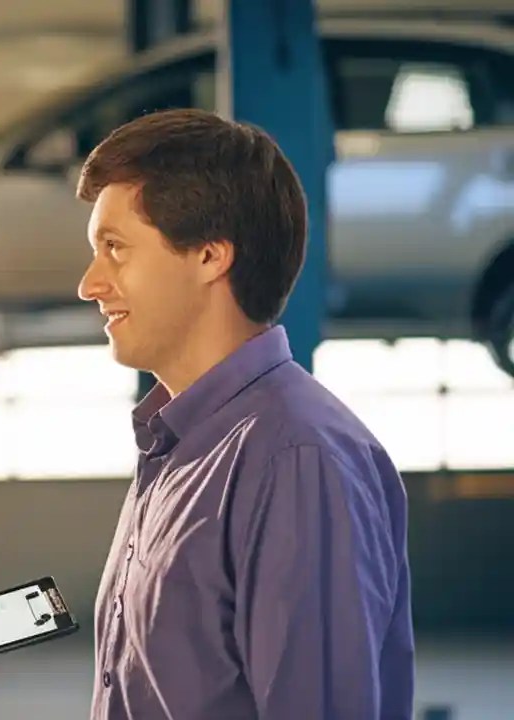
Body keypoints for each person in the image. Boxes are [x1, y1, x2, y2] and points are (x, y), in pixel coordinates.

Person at [75, 108, 414, 719]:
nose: (89, 283)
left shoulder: (296, 458)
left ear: (209, 256)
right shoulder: (179, 443)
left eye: (115, 249)